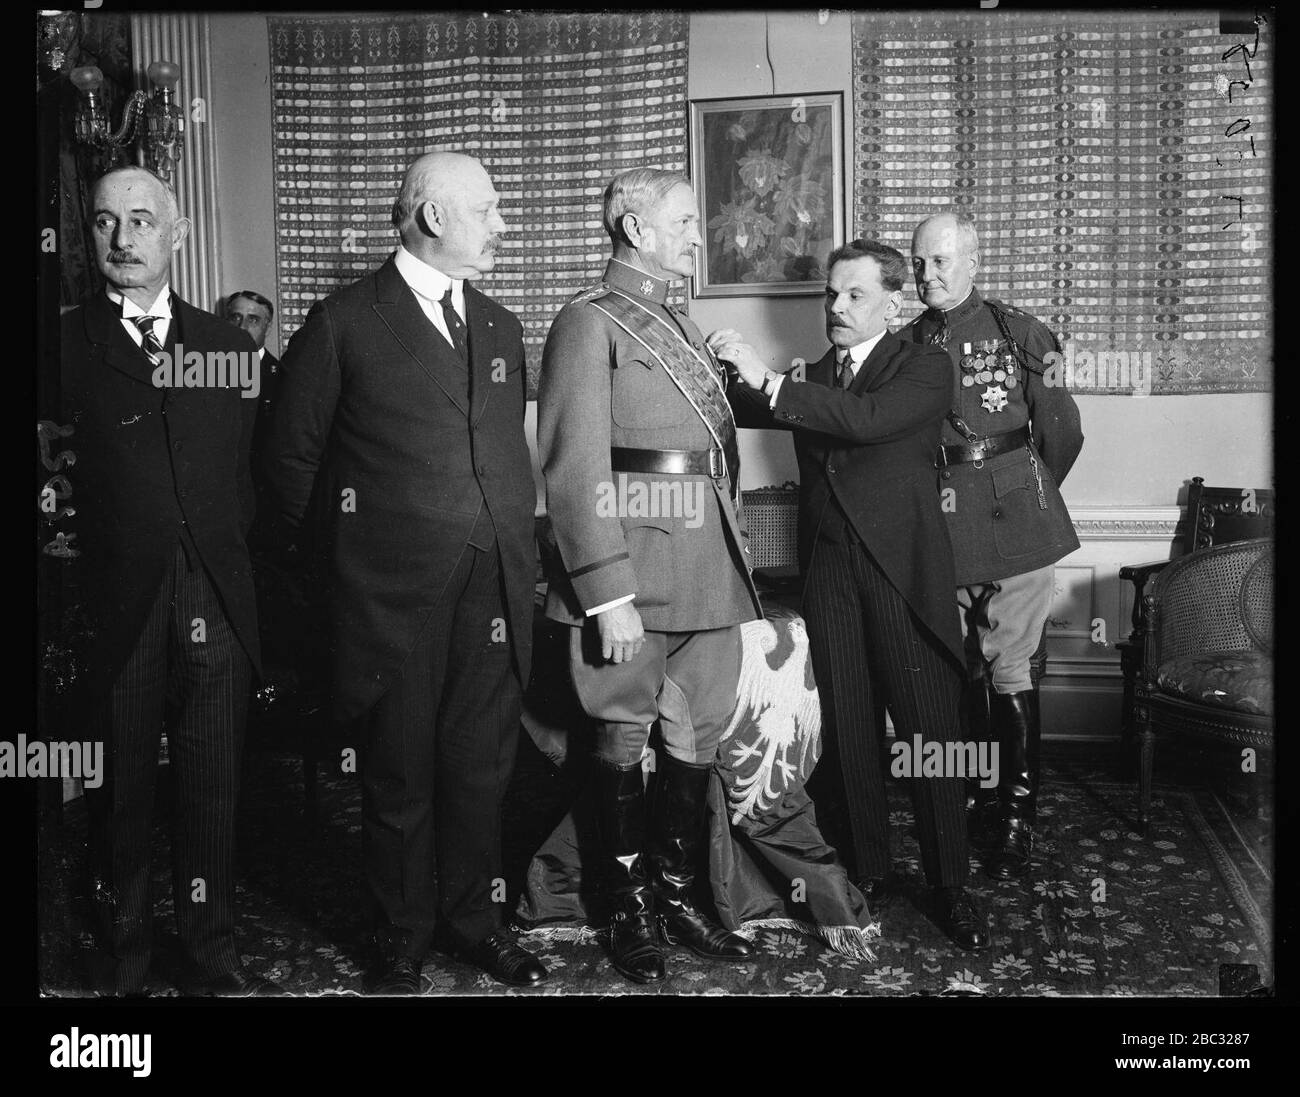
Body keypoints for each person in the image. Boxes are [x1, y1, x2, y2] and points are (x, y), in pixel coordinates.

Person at [264, 152, 546, 991]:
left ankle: (474, 922)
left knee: (479, 767)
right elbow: (287, 469)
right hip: (390, 600)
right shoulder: (345, 321)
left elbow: (508, 454)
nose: (503, 225)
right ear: (432, 217)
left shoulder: (500, 326)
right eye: (488, 210)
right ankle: (400, 935)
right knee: (398, 774)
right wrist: (340, 579)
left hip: (492, 588)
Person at [716, 238, 985, 950]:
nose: (836, 307)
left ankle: (949, 884)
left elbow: (860, 422)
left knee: (930, 737)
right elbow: (753, 405)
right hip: (829, 571)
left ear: (894, 304)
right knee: (850, 731)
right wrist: (712, 363)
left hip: (899, 574)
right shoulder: (817, 373)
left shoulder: (926, 366)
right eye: (830, 295)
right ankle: (869, 869)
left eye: (855, 295)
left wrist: (770, 381)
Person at [537, 168, 761, 983]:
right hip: (634, 571)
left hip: (708, 567)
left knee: (697, 733)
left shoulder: (680, 323)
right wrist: (606, 592)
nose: (699, 236)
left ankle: (677, 893)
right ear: (635, 230)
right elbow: (573, 468)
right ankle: (625, 903)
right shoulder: (586, 322)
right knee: (623, 734)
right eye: (685, 222)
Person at [58, 166, 278, 995]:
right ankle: (125, 959)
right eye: (107, 223)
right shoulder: (64, 343)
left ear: (177, 236)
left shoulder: (228, 349)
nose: (123, 240)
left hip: (214, 597)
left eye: (143, 221)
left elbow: (256, 477)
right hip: (117, 602)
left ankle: (210, 952)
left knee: (211, 788)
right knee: (121, 794)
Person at [907, 211, 1083, 878]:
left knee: (1009, 667)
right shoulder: (905, 343)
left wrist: (1026, 492)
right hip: (940, 526)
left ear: (973, 262)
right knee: (955, 669)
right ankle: (967, 795)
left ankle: (1014, 812)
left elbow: (1061, 430)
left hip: (1016, 523)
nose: (929, 274)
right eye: (920, 262)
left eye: (942, 261)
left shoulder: (1020, 333)